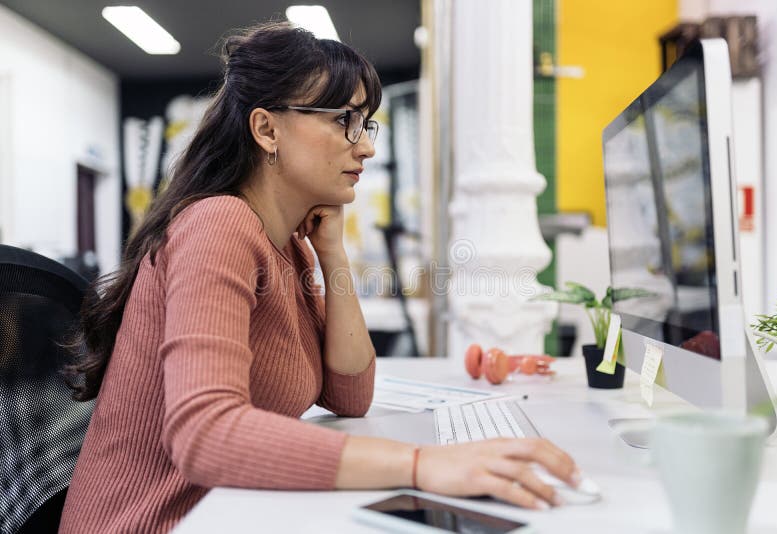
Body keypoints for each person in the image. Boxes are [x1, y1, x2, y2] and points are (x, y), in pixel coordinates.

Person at [59, 22, 582, 533]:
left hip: (229, 512)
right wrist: (421, 464)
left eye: (366, 124)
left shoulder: (289, 244)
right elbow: (205, 434)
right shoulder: (219, 225)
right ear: (267, 130)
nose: (366, 147)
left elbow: (349, 396)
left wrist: (331, 253)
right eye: (344, 120)